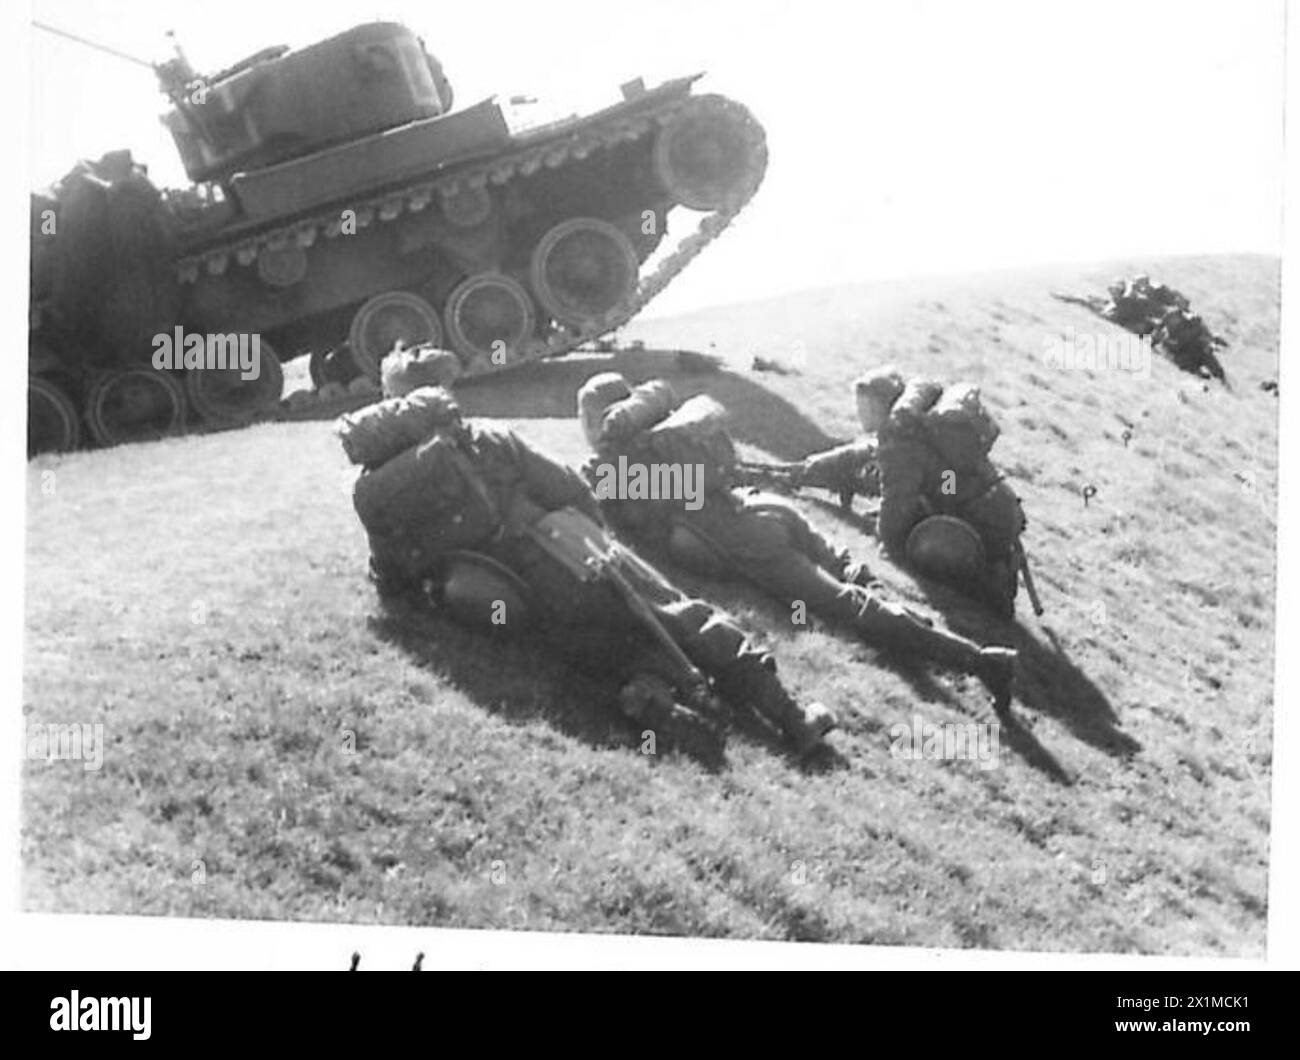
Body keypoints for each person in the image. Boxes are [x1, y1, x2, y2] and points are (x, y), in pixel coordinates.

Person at [341, 366, 837, 757]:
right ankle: (793, 718)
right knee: (680, 613)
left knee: (602, 648)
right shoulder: (482, 438)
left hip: (509, 599)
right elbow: (571, 489)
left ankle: (652, 696)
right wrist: (597, 534)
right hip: (572, 552)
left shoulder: (376, 494)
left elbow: (392, 578)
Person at [576, 372, 1018, 711]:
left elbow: (595, 506)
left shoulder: (617, 465)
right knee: (847, 573)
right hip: (764, 507)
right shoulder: (670, 434)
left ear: (597, 418)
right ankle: (911, 622)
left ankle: (980, 662)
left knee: (842, 604)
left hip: (746, 537)